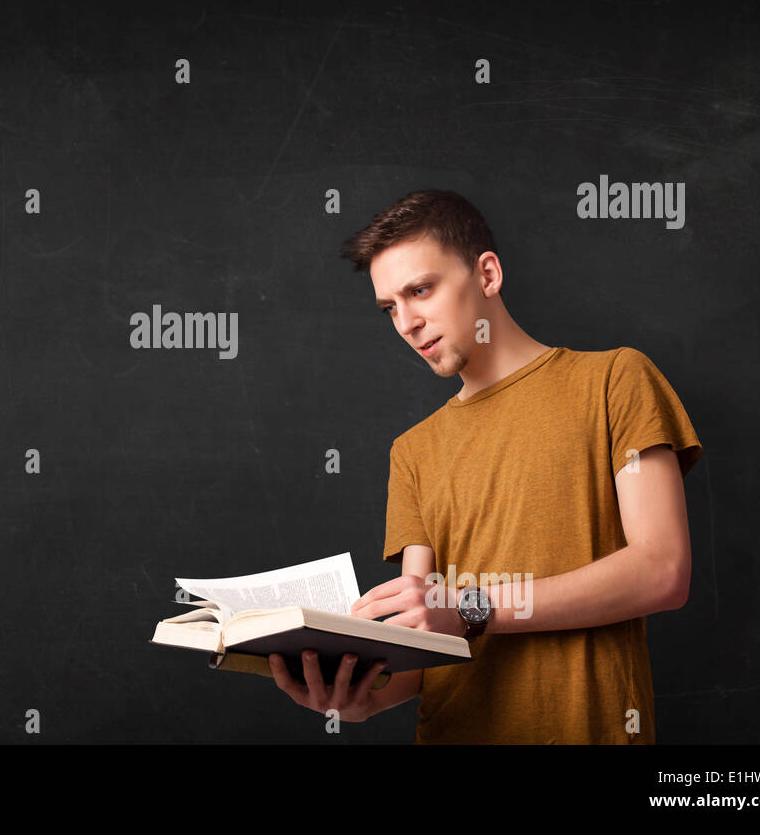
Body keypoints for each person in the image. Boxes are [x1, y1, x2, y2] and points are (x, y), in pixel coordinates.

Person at [268, 189, 703, 743]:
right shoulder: (413, 451)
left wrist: (472, 606)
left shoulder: (615, 381)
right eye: (390, 308)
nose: (407, 322)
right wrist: (357, 702)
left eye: (420, 290)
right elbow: (422, 649)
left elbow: (662, 571)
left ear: (488, 275)